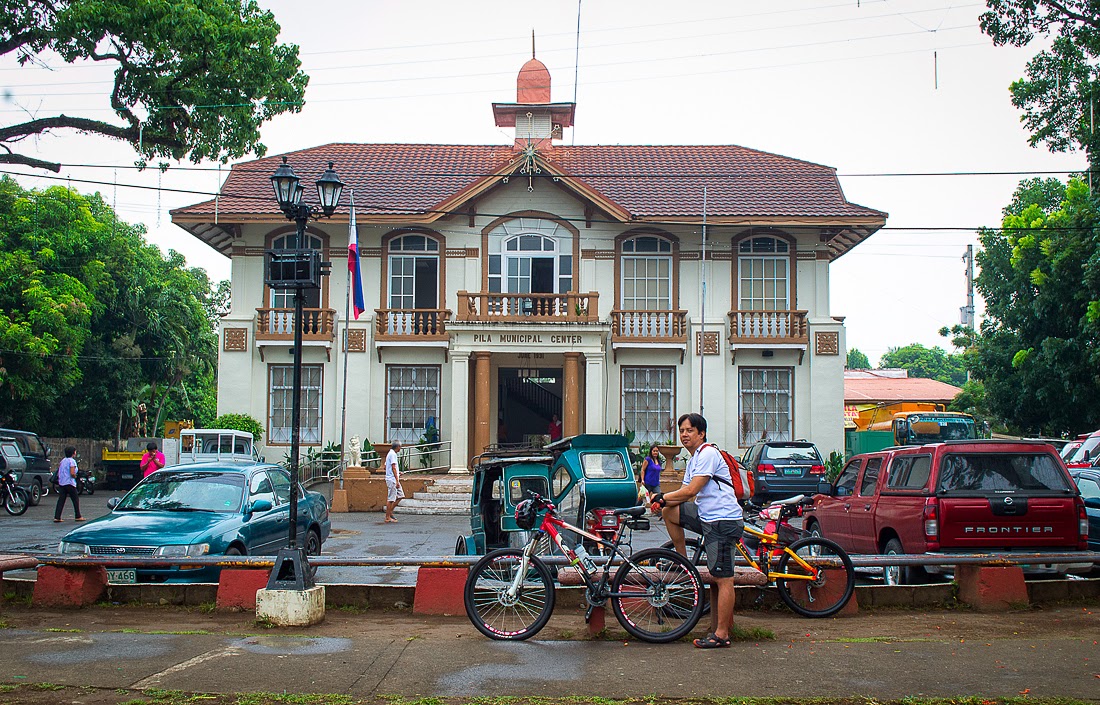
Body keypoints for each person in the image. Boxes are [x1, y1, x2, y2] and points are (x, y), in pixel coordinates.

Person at [651, 413, 744, 649]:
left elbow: (691, 491)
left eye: (690, 430)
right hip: (706, 517)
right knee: (669, 512)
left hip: (723, 521)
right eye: (682, 431)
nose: (684, 435)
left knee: (723, 578)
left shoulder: (708, 454)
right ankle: (683, 561)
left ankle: (721, 634)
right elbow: (681, 496)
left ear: (701, 434)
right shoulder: (694, 459)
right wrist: (661, 503)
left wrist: (662, 496)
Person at [53, 446, 85, 523]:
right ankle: (78, 515)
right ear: (73, 453)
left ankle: (57, 517)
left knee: (61, 500)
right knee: (75, 500)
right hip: (70, 483)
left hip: (62, 483)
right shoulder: (72, 461)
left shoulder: (63, 461)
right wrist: (75, 476)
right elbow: (72, 473)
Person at [384, 440, 405, 523]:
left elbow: (386, 467)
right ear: (398, 447)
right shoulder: (392, 454)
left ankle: (390, 512)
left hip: (393, 478)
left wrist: (398, 473)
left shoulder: (390, 454)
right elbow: (393, 467)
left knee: (400, 495)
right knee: (391, 499)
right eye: (400, 447)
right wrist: (396, 480)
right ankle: (387, 517)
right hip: (392, 479)